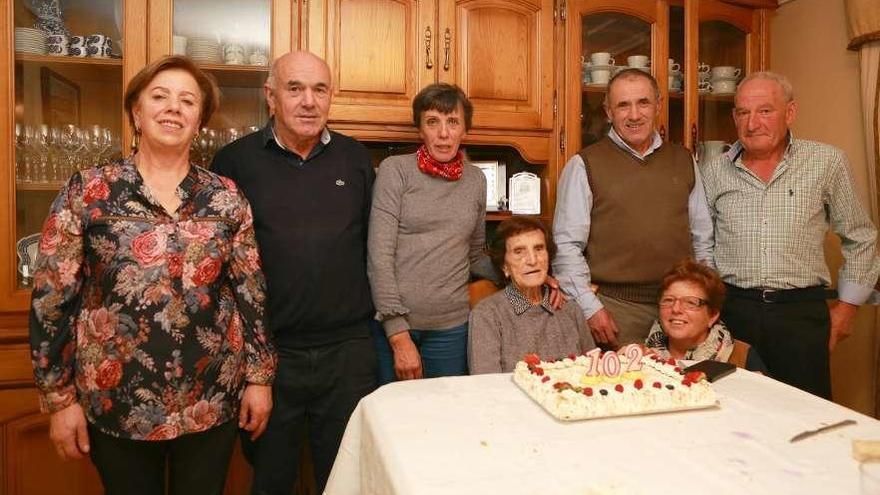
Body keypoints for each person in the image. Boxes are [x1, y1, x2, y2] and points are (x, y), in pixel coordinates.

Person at [28, 55, 276, 495]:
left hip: (210, 399)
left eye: (187, 101)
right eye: (159, 97)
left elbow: (250, 292)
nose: (173, 108)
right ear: (135, 113)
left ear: (200, 120)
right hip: (117, 400)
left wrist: (260, 379)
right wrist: (60, 400)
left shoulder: (225, 198)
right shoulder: (88, 190)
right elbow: (52, 298)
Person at [211, 51, 376, 494]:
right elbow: (219, 267)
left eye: (319, 89)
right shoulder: (233, 163)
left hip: (347, 353)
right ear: (270, 96)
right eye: (295, 88)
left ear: (331, 97)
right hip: (268, 357)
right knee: (271, 479)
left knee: (347, 480)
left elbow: (372, 248)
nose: (308, 101)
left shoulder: (356, 160)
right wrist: (249, 369)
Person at [701, 71, 880, 399]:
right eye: (743, 112)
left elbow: (862, 237)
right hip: (733, 313)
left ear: (790, 113)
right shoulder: (713, 170)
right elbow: (702, 243)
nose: (753, 123)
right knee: (732, 411)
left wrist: (847, 309)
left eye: (765, 111)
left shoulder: (827, 162)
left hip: (800, 316)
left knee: (804, 414)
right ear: (734, 117)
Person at [553, 69, 714, 350]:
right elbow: (566, 246)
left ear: (658, 106)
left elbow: (703, 239)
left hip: (680, 309)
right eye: (623, 105)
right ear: (608, 111)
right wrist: (590, 308)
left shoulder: (684, 160)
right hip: (615, 312)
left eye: (643, 103)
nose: (634, 114)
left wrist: (706, 298)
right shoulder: (584, 165)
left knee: (682, 391)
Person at [368, 83, 491, 384]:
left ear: (465, 129)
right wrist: (398, 335)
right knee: (395, 421)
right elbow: (379, 256)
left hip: (452, 329)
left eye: (453, 122)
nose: (444, 133)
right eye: (433, 122)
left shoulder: (476, 180)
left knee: (444, 421)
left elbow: (475, 254)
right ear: (420, 129)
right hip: (396, 328)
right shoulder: (395, 170)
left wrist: (527, 275)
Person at [468, 217, 595, 373]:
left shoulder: (571, 310)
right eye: (519, 252)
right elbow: (486, 385)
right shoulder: (487, 315)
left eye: (539, 248)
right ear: (504, 265)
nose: (532, 260)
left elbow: (592, 374)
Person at [645, 259, 767, 372]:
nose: (676, 309)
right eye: (668, 300)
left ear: (712, 316)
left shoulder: (742, 357)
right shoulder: (641, 356)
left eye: (691, 303)